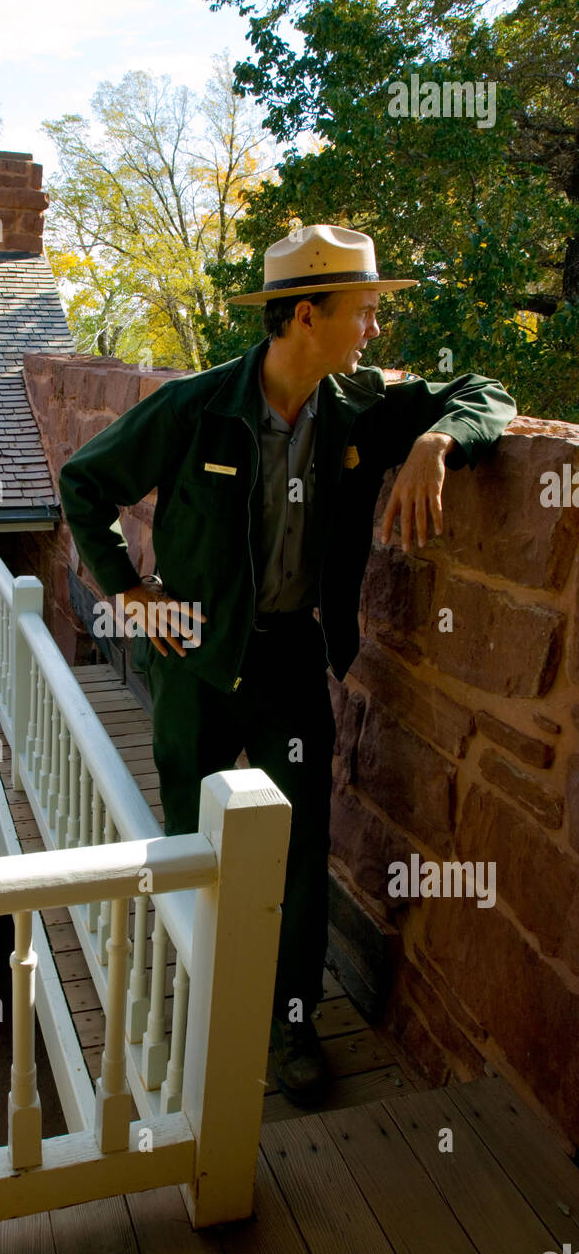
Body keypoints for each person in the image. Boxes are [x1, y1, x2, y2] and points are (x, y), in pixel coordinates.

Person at [58, 224, 516, 1104]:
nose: (376, 329)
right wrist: (128, 590)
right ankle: (193, 1002)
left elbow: (483, 392)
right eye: (364, 312)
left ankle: (294, 1027)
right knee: (192, 842)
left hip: (292, 663)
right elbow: (85, 481)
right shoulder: (197, 408)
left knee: (304, 853)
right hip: (192, 662)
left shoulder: (357, 409)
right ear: (307, 316)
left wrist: (434, 444)